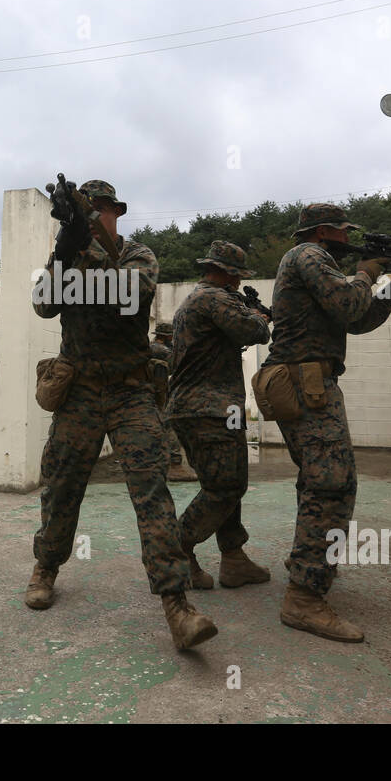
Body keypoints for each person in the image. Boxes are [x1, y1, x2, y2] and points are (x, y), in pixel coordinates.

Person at [25, 179, 217, 651]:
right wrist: (63, 251)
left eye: (101, 212)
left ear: (116, 213)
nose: (97, 219)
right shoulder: (68, 254)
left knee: (151, 492)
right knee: (61, 486)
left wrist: (86, 251)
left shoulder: (140, 256)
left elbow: (126, 295)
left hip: (131, 392)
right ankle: (46, 566)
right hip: (80, 393)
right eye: (88, 213)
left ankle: (177, 605)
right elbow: (44, 305)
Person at [265, 203, 391, 643]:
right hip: (304, 382)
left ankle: (307, 569)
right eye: (342, 231)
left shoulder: (319, 264)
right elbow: (351, 302)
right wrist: (369, 272)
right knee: (332, 484)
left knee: (320, 482)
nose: (347, 237)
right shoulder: (309, 256)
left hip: (306, 382)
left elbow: (358, 318)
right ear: (323, 231)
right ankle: (304, 599)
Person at [167, 241, 272, 592]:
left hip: (199, 408)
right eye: (238, 277)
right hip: (211, 409)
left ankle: (234, 558)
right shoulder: (214, 297)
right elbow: (254, 331)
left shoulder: (197, 299)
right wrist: (260, 317)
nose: (240, 283)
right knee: (226, 487)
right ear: (227, 274)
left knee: (226, 481)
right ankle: (176, 550)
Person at [148, 321, 196, 481]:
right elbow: (179, 364)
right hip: (160, 395)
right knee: (170, 426)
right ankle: (175, 465)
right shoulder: (160, 350)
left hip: (155, 394)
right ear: (166, 335)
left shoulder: (152, 347)